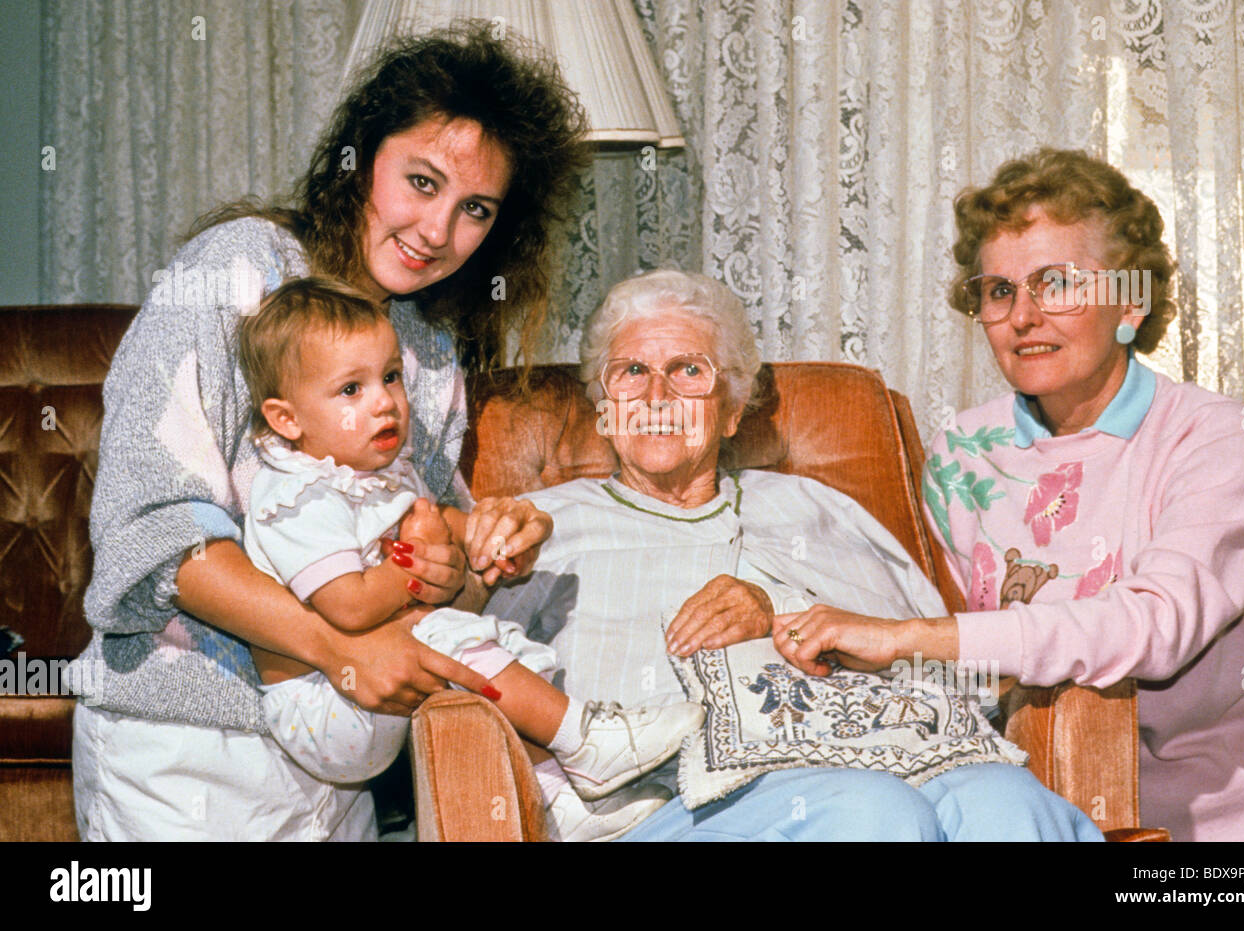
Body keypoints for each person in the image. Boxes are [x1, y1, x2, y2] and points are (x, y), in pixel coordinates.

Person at [70, 23, 590, 840]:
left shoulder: (426, 355)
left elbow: (424, 580)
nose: (435, 230)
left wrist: (485, 550)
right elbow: (156, 528)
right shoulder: (236, 269)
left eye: (474, 210)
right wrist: (334, 647)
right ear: (362, 156)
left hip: (339, 772)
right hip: (186, 755)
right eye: (420, 181)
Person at [774, 148, 1244, 841]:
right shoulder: (964, 449)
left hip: (1229, 828)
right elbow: (953, 658)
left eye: (1058, 284)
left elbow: (1155, 628)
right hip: (1029, 811)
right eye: (999, 290)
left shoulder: (1215, 439)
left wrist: (908, 638)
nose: (1024, 316)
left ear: (1131, 300)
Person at [483, 268, 1104, 841]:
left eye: (688, 371)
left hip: (873, 753)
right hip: (670, 809)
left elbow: (934, 665)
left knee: (1008, 803)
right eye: (631, 372)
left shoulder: (815, 508)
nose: (657, 396)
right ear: (605, 410)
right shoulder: (545, 523)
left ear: (730, 412)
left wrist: (779, 610)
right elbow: (459, 646)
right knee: (871, 811)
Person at [238, 276, 701, 840]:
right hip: (325, 711)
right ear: (287, 420)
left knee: (487, 640)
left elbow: (439, 522)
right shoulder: (296, 498)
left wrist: (486, 536)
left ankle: (559, 797)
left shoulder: (378, 471)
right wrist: (411, 568)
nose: (384, 401)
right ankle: (585, 739)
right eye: (350, 390)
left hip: (370, 695)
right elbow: (350, 608)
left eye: (390, 377)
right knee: (441, 633)